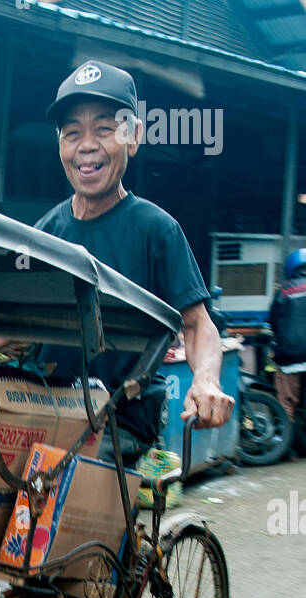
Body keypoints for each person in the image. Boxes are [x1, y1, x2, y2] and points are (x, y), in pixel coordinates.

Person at [34, 61, 233, 462]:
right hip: (43, 409)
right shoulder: (43, 233)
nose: (86, 146)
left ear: (134, 136)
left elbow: (197, 325)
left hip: (119, 418)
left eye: (104, 130)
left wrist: (206, 381)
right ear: (60, 146)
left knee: (63, 481)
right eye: (72, 133)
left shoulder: (157, 230)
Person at [269, 249, 306, 425]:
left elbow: (272, 322)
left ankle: (287, 447)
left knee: (286, 404)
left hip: (289, 358)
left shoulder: (282, 291)